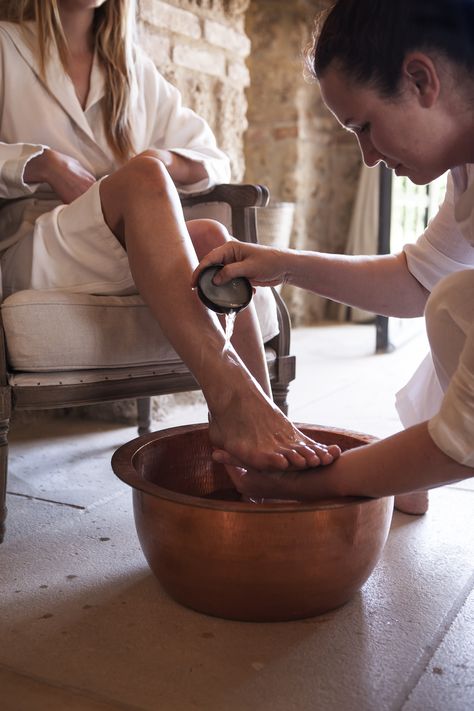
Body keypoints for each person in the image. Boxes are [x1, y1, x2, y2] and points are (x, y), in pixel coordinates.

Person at [0, 0, 340, 472]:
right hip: (34, 246)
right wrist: (40, 163)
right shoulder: (6, 46)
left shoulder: (130, 68)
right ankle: (235, 402)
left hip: (116, 248)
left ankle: (265, 436)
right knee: (144, 179)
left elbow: (214, 159)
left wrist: (163, 159)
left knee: (211, 238)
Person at [193, 0, 474, 511]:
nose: (368, 157)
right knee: (452, 297)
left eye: (364, 126)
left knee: (461, 298)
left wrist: (296, 485)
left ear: (419, 80)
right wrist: (284, 264)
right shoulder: (466, 169)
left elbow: (466, 430)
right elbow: (419, 280)